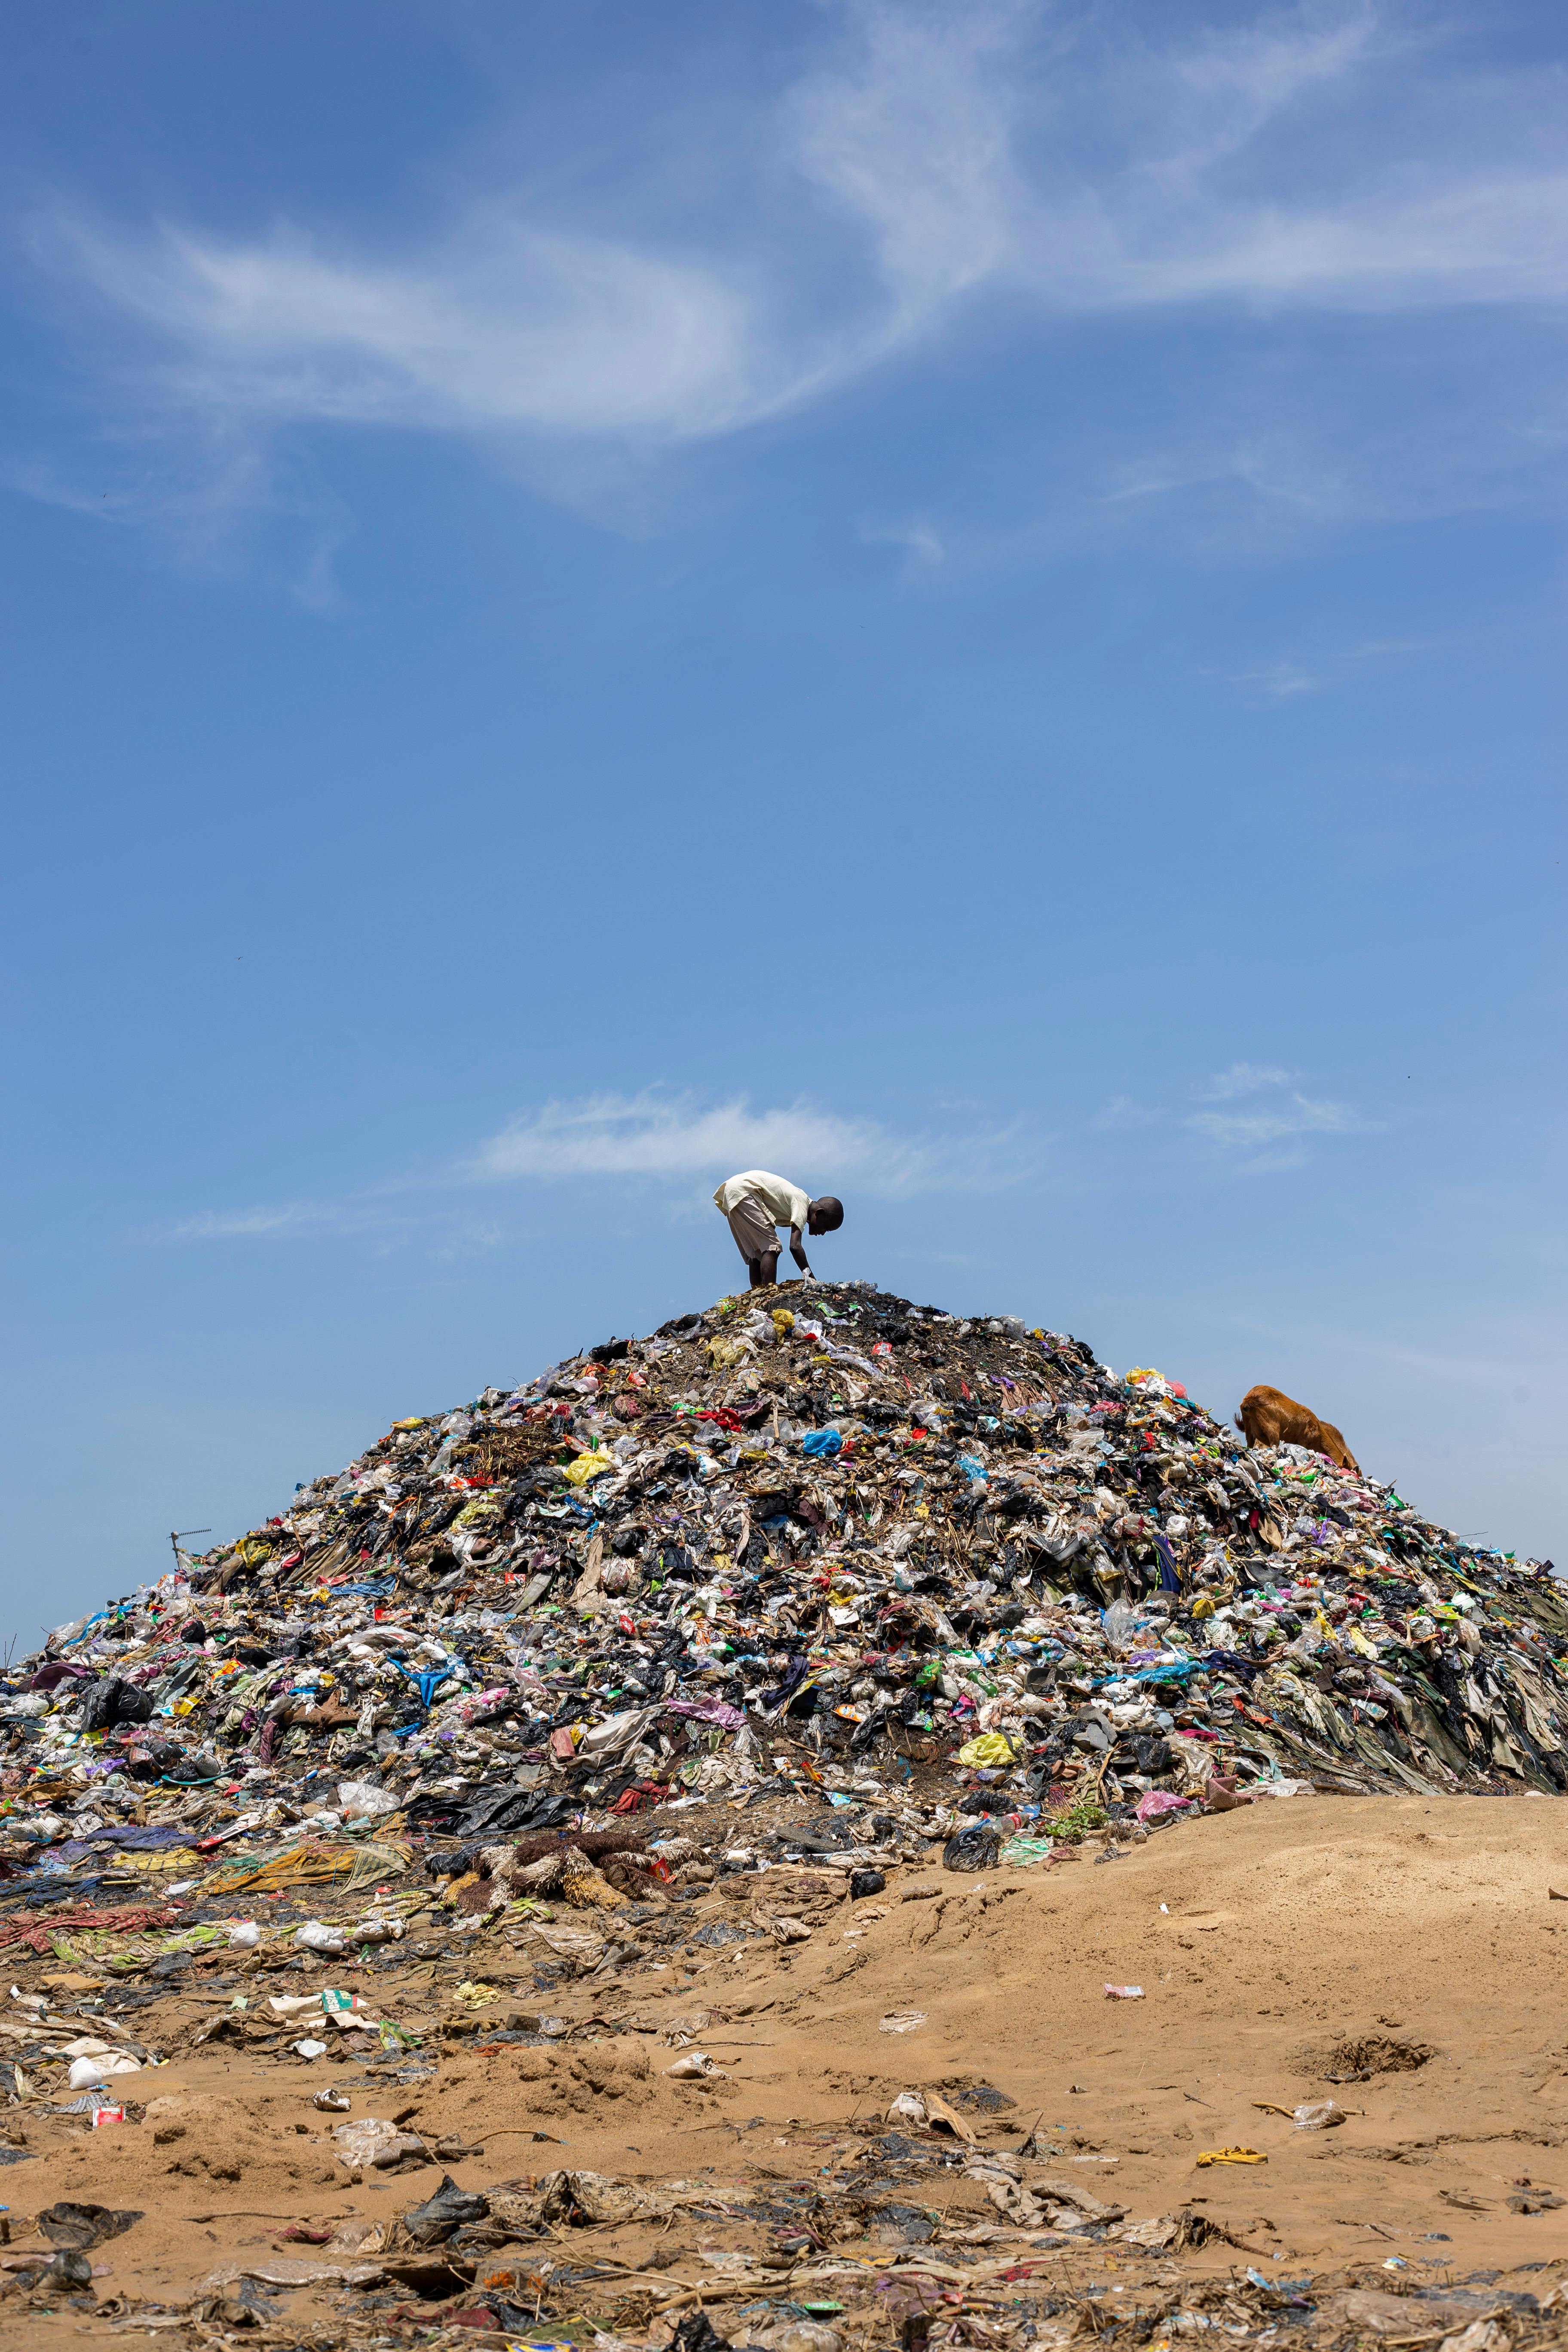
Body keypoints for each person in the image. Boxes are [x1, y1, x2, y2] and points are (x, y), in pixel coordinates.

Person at [713, 1170, 843, 1289]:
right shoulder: (802, 1202)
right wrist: (812, 1280)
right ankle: (769, 1293)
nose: (823, 1233)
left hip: (735, 1193)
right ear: (819, 1213)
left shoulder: (799, 1203)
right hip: (745, 1192)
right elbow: (795, 1247)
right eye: (826, 1228)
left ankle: (758, 1294)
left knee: (756, 1252)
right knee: (772, 1247)